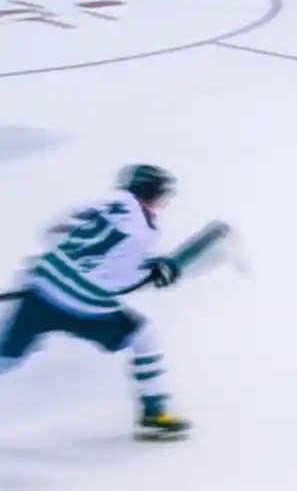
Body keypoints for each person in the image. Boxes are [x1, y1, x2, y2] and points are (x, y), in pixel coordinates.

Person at [0, 165, 190, 440]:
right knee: (143, 335)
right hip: (83, 307)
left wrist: (72, 265)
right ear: (157, 196)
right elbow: (120, 281)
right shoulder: (143, 231)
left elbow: (50, 232)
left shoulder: (99, 205)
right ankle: (154, 414)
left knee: (6, 356)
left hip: (39, 289)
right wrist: (155, 271)